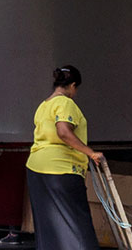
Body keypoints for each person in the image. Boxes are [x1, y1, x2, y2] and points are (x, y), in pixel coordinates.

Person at [26, 65, 103, 250]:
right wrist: (90, 153)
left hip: (35, 170)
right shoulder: (66, 103)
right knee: (78, 223)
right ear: (73, 86)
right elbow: (63, 131)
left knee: (49, 227)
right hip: (61, 170)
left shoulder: (43, 106)